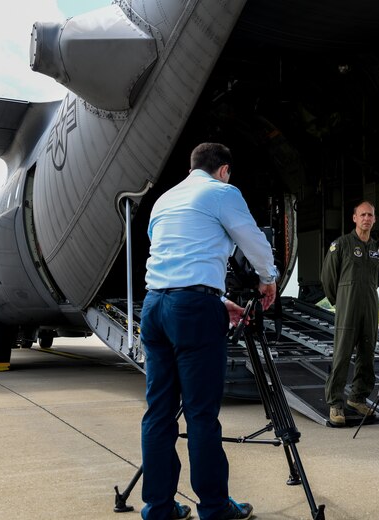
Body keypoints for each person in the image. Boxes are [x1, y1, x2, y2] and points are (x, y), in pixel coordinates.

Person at [140, 142, 277, 520]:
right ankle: (214, 508)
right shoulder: (221, 192)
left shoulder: (164, 200)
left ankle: (158, 508)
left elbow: (176, 256)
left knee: (159, 413)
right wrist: (268, 279)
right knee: (201, 415)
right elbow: (253, 241)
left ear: (192, 167)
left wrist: (215, 300)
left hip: (154, 307)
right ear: (224, 170)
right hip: (193, 311)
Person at [321, 201, 379, 426]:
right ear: (355, 218)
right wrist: (341, 300)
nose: (366, 218)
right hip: (347, 306)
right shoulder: (341, 244)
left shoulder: (377, 249)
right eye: (363, 215)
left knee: (367, 354)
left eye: (370, 215)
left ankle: (357, 397)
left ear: (374, 220)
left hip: (370, 306)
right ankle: (335, 403)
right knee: (342, 354)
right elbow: (328, 278)